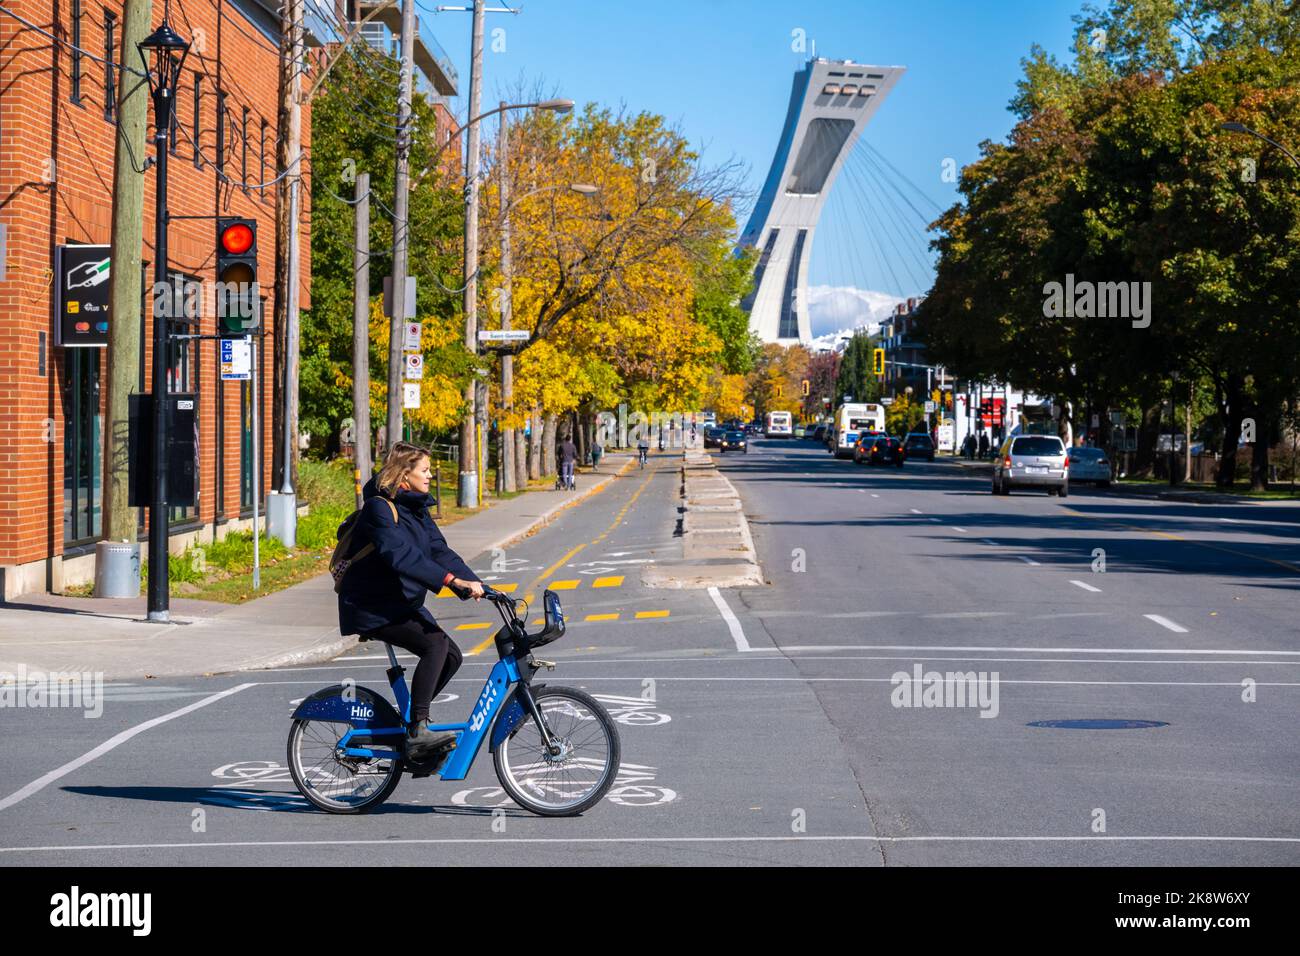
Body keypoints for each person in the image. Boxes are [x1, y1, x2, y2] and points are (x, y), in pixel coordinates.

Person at [336, 442, 483, 758]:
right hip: (369, 604)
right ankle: (418, 730)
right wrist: (448, 581)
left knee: (452, 656)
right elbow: (400, 555)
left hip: (397, 601)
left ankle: (416, 722)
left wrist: (476, 583)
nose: (431, 476)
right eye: (425, 470)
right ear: (405, 475)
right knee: (435, 646)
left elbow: (439, 551)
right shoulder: (379, 508)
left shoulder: (416, 508)